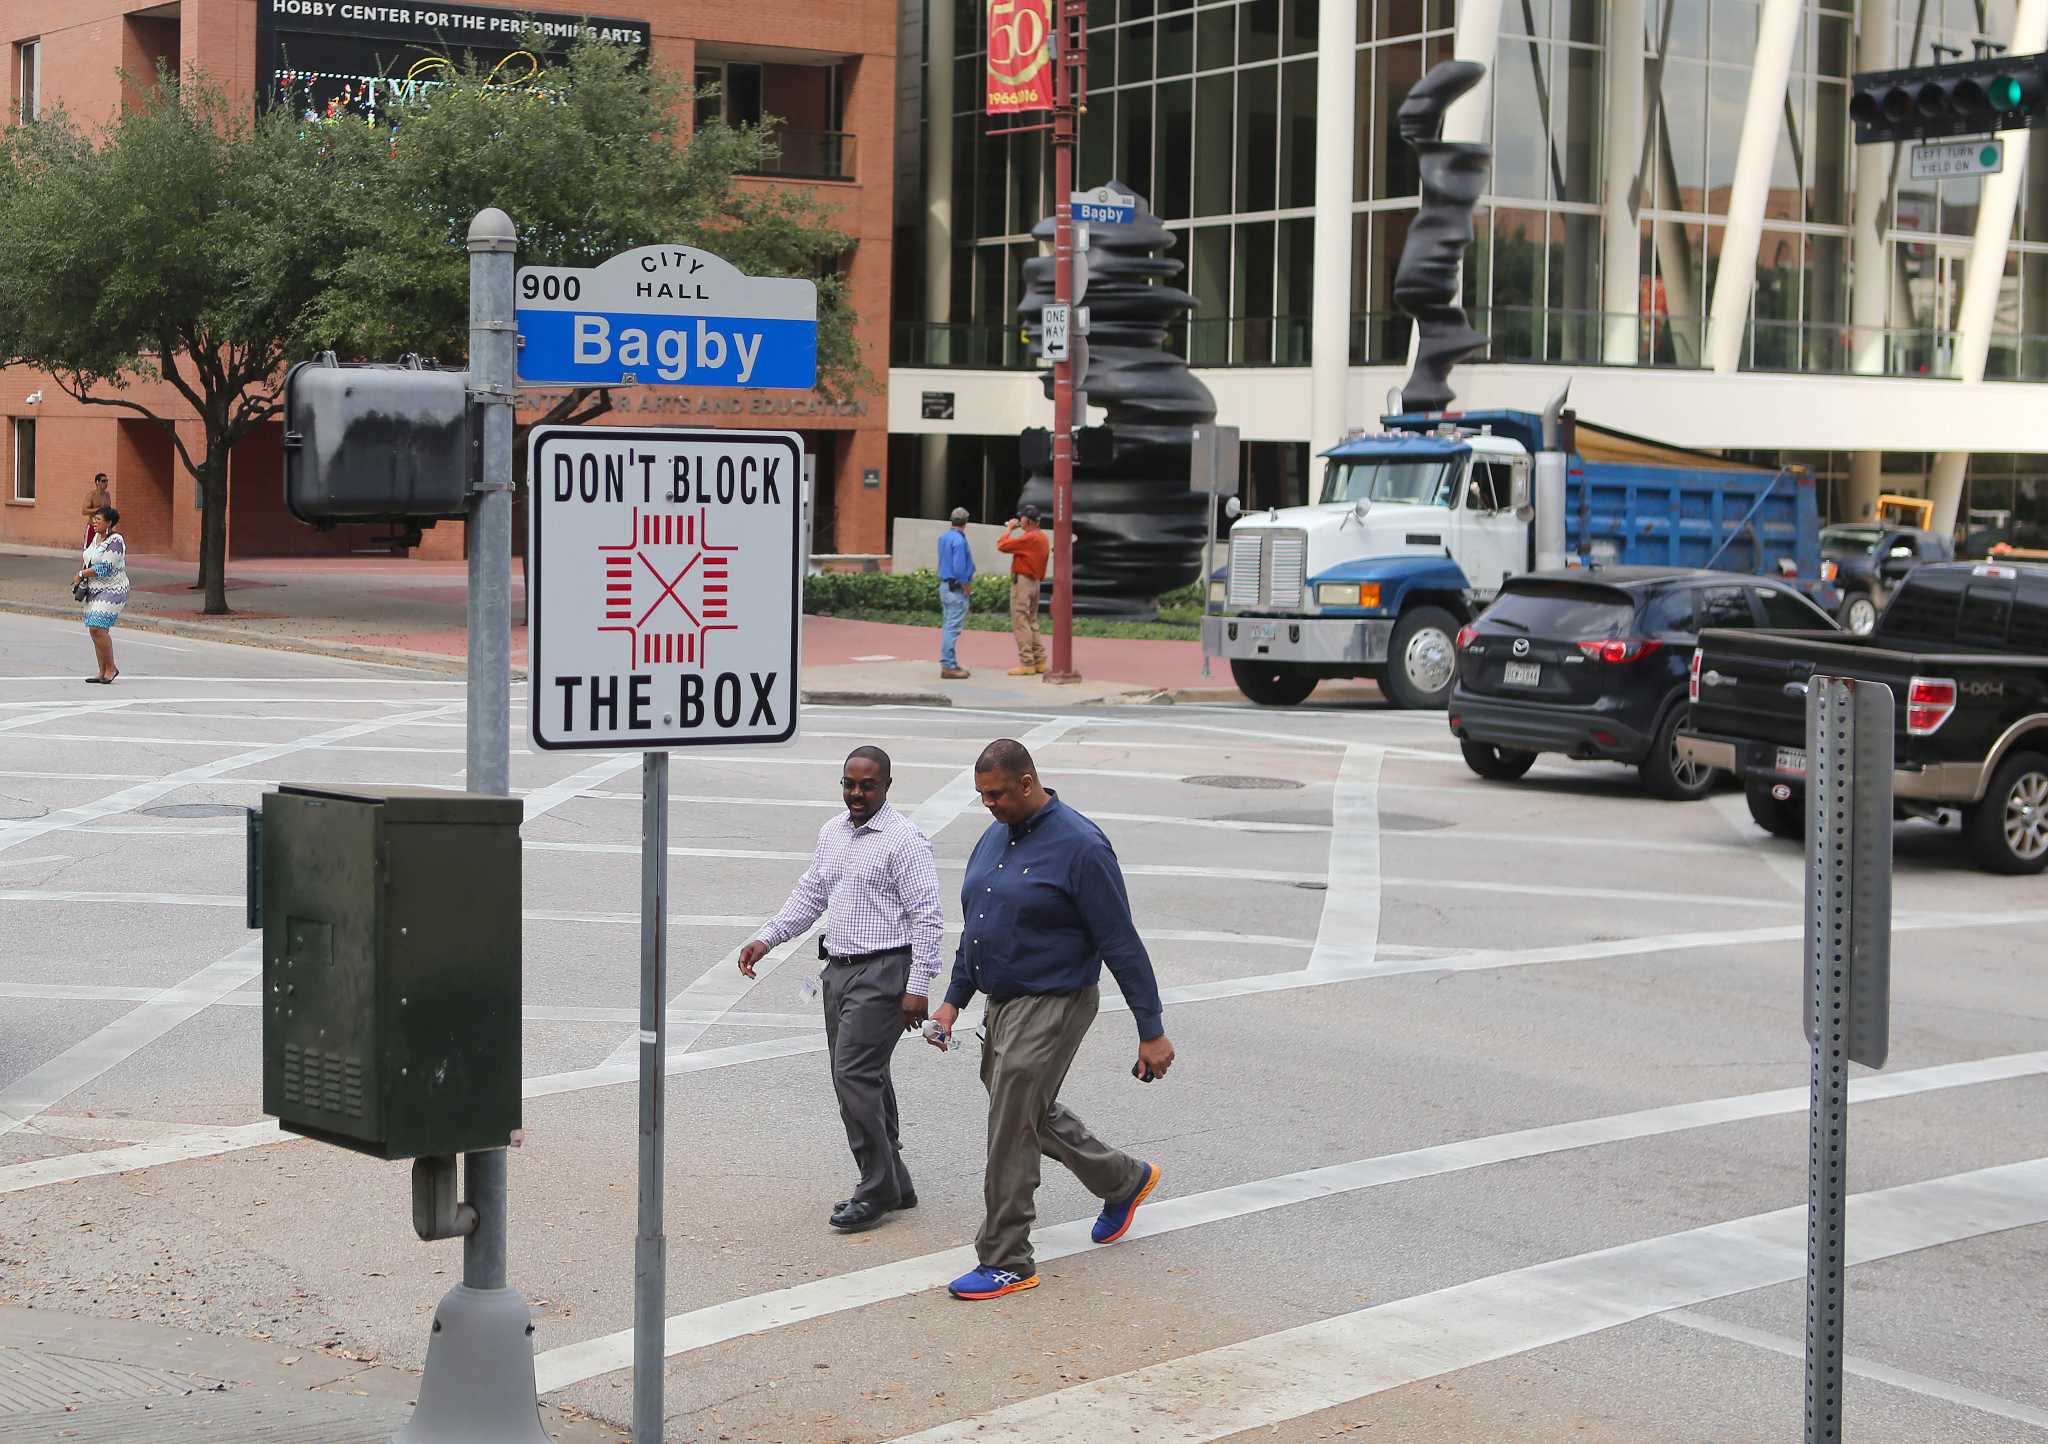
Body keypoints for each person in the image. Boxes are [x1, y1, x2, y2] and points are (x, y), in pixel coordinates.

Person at [927, 738, 1177, 1300]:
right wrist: (953, 1000)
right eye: (980, 797)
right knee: (1023, 1111)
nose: (988, 805)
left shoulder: (1082, 847)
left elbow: (1121, 942)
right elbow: (978, 926)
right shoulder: (994, 836)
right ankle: (1124, 1179)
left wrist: (1151, 1028)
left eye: (995, 795)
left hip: (1056, 999)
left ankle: (1007, 1257)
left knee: (1011, 1123)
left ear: (1026, 782)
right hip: (1003, 1001)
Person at [738, 746, 945, 1233]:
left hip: (885, 972)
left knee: (852, 1076)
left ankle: (874, 1190)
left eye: (867, 785)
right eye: (849, 784)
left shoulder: (903, 841)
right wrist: (768, 937)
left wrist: (918, 986)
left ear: (887, 787)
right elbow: (811, 893)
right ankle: (896, 1180)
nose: (856, 793)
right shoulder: (833, 833)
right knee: (865, 1075)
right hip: (838, 970)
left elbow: (928, 918)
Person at [76, 505, 128, 684]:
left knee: (98, 627)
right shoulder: (96, 537)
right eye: (94, 519)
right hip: (94, 589)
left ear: (109, 522)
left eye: (98, 520)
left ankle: (111, 668)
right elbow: (88, 559)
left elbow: (104, 568)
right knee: (95, 630)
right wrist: (81, 575)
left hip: (113, 589)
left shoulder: (116, 541)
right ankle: (102, 670)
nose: (94, 523)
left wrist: (83, 574)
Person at [996, 505, 1049, 676]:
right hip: (1035, 582)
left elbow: (1002, 545)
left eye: (1022, 519)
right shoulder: (1042, 537)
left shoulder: (1029, 538)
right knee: (1032, 620)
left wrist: (1009, 529)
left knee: (1020, 620)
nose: (1020, 521)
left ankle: (1027, 662)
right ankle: (1040, 660)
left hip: (1023, 582)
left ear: (1027, 521)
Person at [938, 506, 975, 680]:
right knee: (952, 629)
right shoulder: (959, 541)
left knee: (947, 626)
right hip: (956, 588)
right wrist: (967, 587)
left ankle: (949, 662)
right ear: (966, 522)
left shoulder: (944, 538)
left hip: (945, 586)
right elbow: (960, 569)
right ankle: (948, 665)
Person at [80, 473, 110, 550]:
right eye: (103, 481)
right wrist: (98, 510)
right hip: (93, 527)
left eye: (107, 481)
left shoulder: (107, 495)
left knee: (103, 550)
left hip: (104, 528)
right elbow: (84, 511)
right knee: (89, 550)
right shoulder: (91, 495)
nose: (106, 483)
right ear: (97, 482)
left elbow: (109, 510)